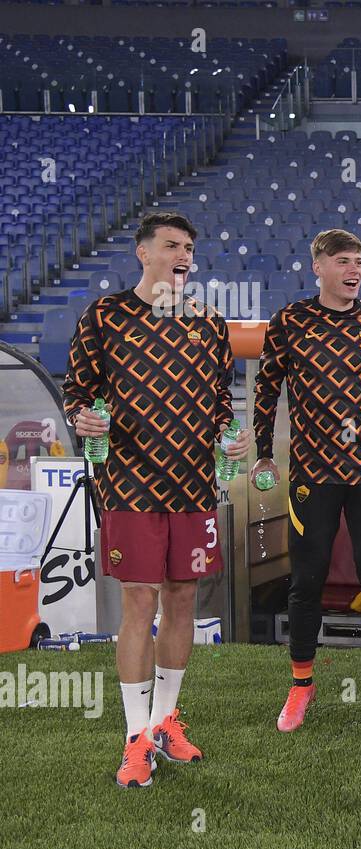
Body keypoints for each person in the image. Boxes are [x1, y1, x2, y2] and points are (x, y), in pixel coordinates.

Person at [64, 211, 249, 788]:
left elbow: (221, 402)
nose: (183, 255)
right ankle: (135, 737)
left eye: (189, 247)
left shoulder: (209, 323)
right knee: (140, 601)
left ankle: (167, 721)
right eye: (171, 245)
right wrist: (83, 419)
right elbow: (78, 393)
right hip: (127, 482)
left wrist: (234, 435)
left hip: (194, 483)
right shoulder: (105, 316)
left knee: (183, 600)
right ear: (142, 253)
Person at [253, 229, 361, 734]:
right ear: (318, 267)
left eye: (359, 263)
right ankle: (301, 686)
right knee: (306, 582)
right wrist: (263, 454)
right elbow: (266, 388)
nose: (354, 271)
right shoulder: (290, 322)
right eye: (343, 261)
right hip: (312, 474)